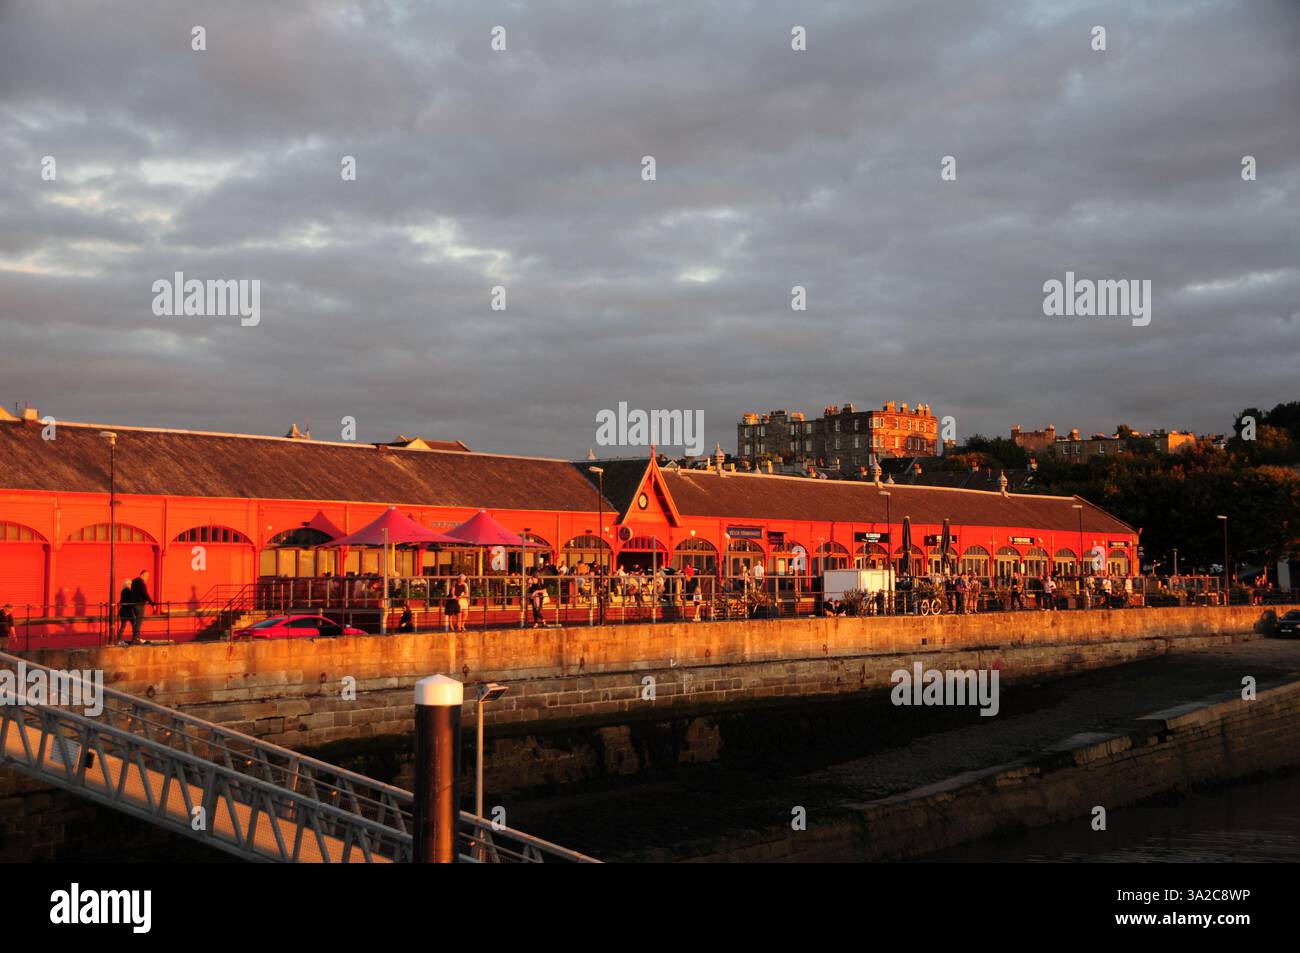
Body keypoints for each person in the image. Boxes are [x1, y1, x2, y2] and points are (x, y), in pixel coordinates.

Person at [127, 570, 156, 644]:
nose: (147, 578)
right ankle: (136, 638)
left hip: (134, 604)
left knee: (137, 621)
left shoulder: (134, 581)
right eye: (146, 576)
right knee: (139, 621)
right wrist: (152, 603)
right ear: (142, 575)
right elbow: (145, 593)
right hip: (140, 604)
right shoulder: (141, 582)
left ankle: (135, 638)